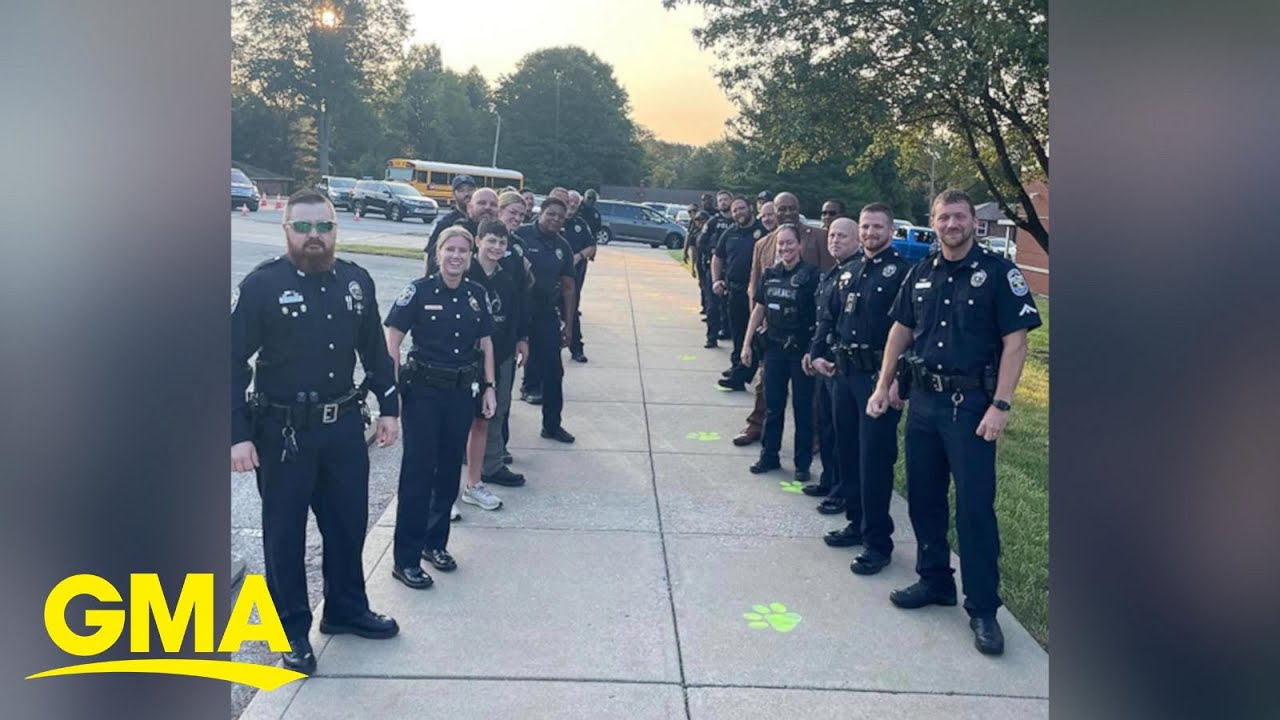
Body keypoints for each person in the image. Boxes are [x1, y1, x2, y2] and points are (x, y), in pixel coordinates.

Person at [231, 189, 400, 675]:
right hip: (282, 433)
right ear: (285, 230)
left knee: (348, 525)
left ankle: (346, 609)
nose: (313, 236)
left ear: (335, 229)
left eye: (322, 226)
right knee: (284, 536)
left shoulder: (355, 281)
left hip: (343, 427)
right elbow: (228, 361)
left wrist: (389, 406)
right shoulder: (262, 286)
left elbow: (374, 349)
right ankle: (290, 634)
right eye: (302, 227)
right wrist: (236, 432)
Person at [867, 189, 1042, 656]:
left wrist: (1000, 406)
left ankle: (983, 608)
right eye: (943, 217)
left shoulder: (999, 274)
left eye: (959, 217)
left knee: (974, 510)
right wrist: (883, 385)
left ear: (973, 223)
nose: (951, 224)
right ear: (933, 221)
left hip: (971, 408)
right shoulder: (920, 272)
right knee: (924, 498)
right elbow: (900, 331)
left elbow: (1016, 343)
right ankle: (935, 580)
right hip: (923, 403)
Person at [385, 226, 498, 589]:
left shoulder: (476, 295)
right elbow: (393, 340)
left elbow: (486, 343)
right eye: (450, 249)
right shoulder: (417, 293)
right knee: (418, 474)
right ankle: (405, 559)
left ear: (470, 256)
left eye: (463, 251)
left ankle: (435, 544)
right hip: (423, 394)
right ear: (437, 253)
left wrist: (490, 387)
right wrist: (393, 393)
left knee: (449, 471)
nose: (456, 256)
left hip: (461, 393)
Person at [809, 209, 909, 574]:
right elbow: (829, 317)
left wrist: (899, 379)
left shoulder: (901, 272)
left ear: (891, 230)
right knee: (847, 452)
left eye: (877, 226)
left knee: (874, 461)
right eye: (865, 226)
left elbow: (913, 329)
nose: (869, 232)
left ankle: (877, 542)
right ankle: (856, 522)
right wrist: (818, 353)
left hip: (876, 380)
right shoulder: (847, 271)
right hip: (844, 374)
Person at [732, 192, 834, 446]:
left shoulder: (819, 237)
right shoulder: (764, 243)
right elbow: (755, 290)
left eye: (792, 208)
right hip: (773, 333)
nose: (786, 213)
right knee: (764, 387)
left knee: (808, 393)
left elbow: (831, 284)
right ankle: (757, 427)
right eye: (781, 209)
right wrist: (754, 331)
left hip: (806, 333)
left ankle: (815, 438)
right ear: (773, 212)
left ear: (799, 209)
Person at [460, 220, 528, 511]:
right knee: (458, 421)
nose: (497, 247)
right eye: (491, 241)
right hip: (463, 359)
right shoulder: (463, 272)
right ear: (478, 241)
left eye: (502, 243)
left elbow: (514, 315)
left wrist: (519, 342)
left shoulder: (507, 279)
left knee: (492, 413)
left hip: (499, 357)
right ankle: (449, 486)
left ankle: (487, 470)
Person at [741, 224, 819, 479]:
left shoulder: (812, 275)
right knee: (773, 406)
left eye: (789, 243)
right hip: (773, 350)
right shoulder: (770, 274)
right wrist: (746, 343)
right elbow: (759, 310)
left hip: (800, 352)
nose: (785, 248)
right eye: (781, 243)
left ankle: (802, 464)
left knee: (802, 408)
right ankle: (769, 456)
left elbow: (820, 317)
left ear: (799, 245)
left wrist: (814, 351)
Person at [801, 214, 861, 514]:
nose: (835, 240)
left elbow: (846, 325)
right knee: (824, 427)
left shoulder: (857, 273)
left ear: (857, 239)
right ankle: (828, 479)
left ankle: (840, 492)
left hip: (841, 366)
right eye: (832, 236)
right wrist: (813, 353)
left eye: (843, 236)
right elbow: (822, 321)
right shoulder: (831, 273)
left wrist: (828, 356)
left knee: (840, 434)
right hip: (823, 363)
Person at [514, 195, 578, 443]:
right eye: (551, 213)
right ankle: (498, 440)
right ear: (540, 213)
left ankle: (552, 426)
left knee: (554, 373)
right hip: (516, 313)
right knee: (503, 374)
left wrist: (568, 325)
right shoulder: (520, 236)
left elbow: (569, 287)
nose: (555, 219)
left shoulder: (563, 246)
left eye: (560, 217)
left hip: (545, 316)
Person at [483, 192, 533, 487]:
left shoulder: (517, 249)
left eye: (521, 215)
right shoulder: (472, 253)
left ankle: (493, 459)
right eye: (511, 212)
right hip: (471, 345)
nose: (516, 219)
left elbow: (520, 299)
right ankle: (481, 460)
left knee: (499, 405)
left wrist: (521, 337)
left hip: (503, 341)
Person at [712, 196, 767, 390]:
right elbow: (717, 258)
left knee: (755, 335)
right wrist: (716, 280)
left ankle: (742, 374)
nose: (738, 213)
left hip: (758, 292)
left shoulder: (763, 231)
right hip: (735, 291)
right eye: (735, 210)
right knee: (738, 333)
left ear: (750, 208)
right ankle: (738, 366)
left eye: (741, 208)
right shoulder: (729, 233)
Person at [425, 187, 499, 275]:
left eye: (493, 204)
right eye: (481, 203)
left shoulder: (502, 238)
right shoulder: (456, 233)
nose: (487, 207)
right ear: (469, 208)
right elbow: (432, 266)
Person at [561, 189, 598, 363]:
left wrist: (579, 256)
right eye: (569, 202)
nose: (572, 205)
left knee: (571, 312)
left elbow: (591, 246)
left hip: (573, 277)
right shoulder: (551, 221)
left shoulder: (581, 225)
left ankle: (576, 349)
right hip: (549, 279)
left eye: (575, 203)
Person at [696, 190, 735, 348]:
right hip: (714, 269)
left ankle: (726, 331)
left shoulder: (738, 221)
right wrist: (712, 251)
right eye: (720, 200)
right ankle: (711, 336)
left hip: (733, 271)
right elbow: (701, 242)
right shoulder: (712, 222)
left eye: (726, 199)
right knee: (713, 305)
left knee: (730, 305)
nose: (723, 202)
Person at [425, 174, 476, 255]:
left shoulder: (480, 219)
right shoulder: (444, 223)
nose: (467, 194)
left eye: (470, 190)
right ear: (453, 195)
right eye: (461, 190)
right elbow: (430, 253)